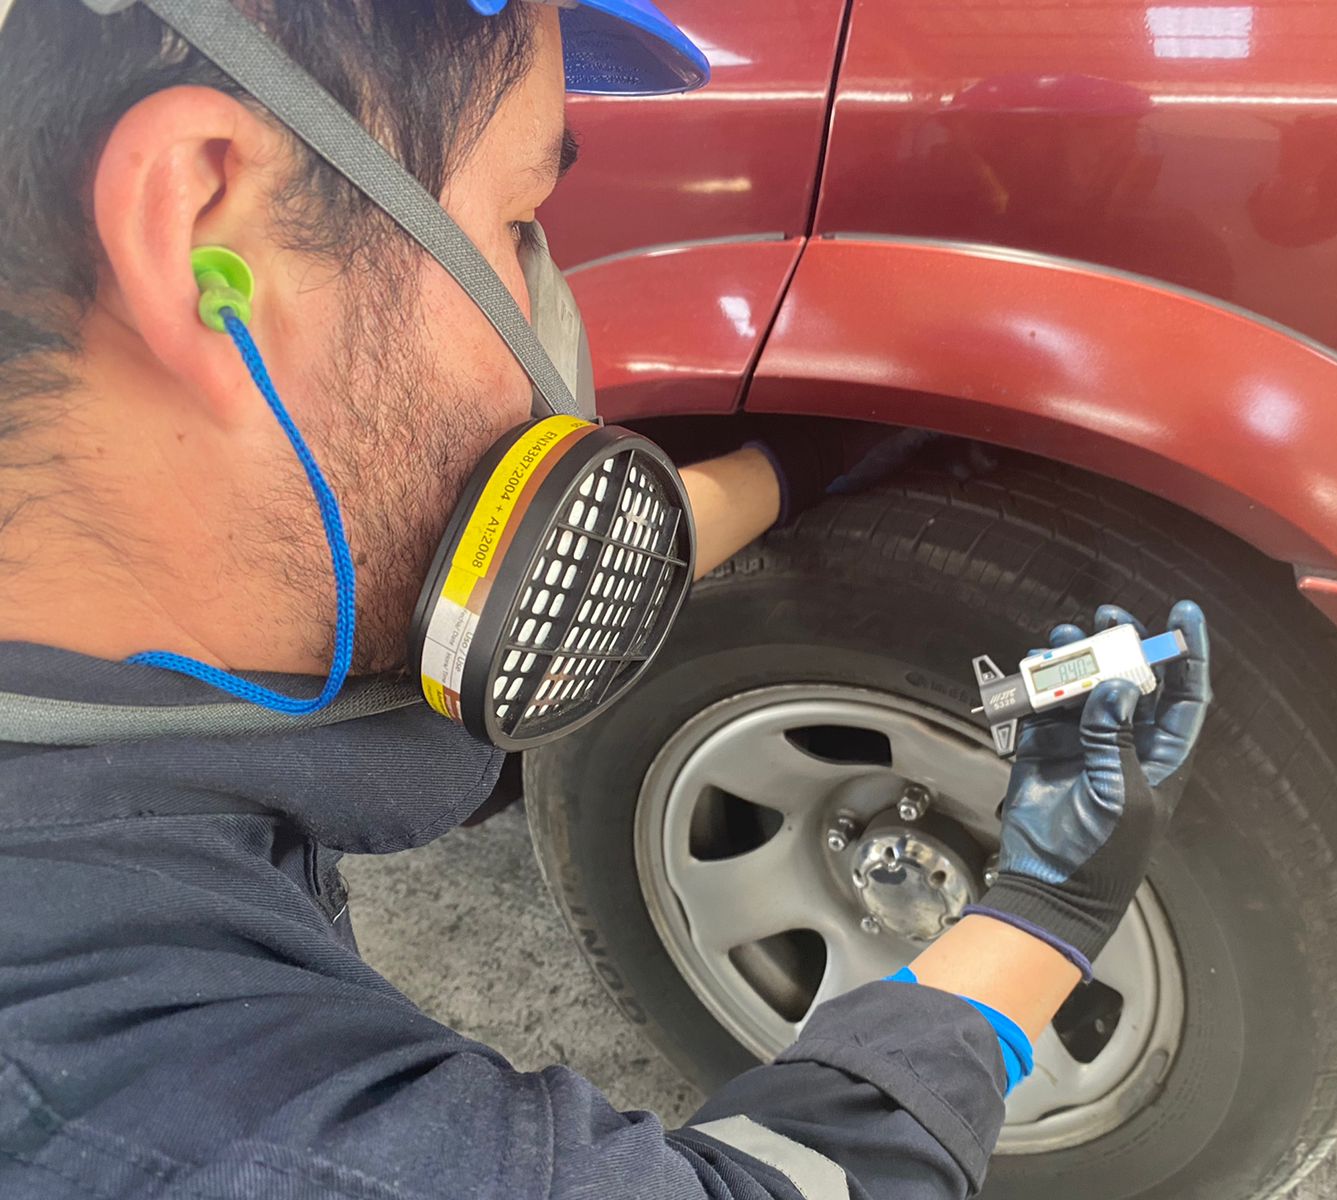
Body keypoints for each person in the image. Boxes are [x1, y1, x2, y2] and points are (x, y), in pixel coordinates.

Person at [0, 3, 1212, 1199]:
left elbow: (537, 578)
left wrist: (796, 470)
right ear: (209, 228)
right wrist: (1050, 913)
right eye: (521, 219)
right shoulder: (182, 1132)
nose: (552, 315)